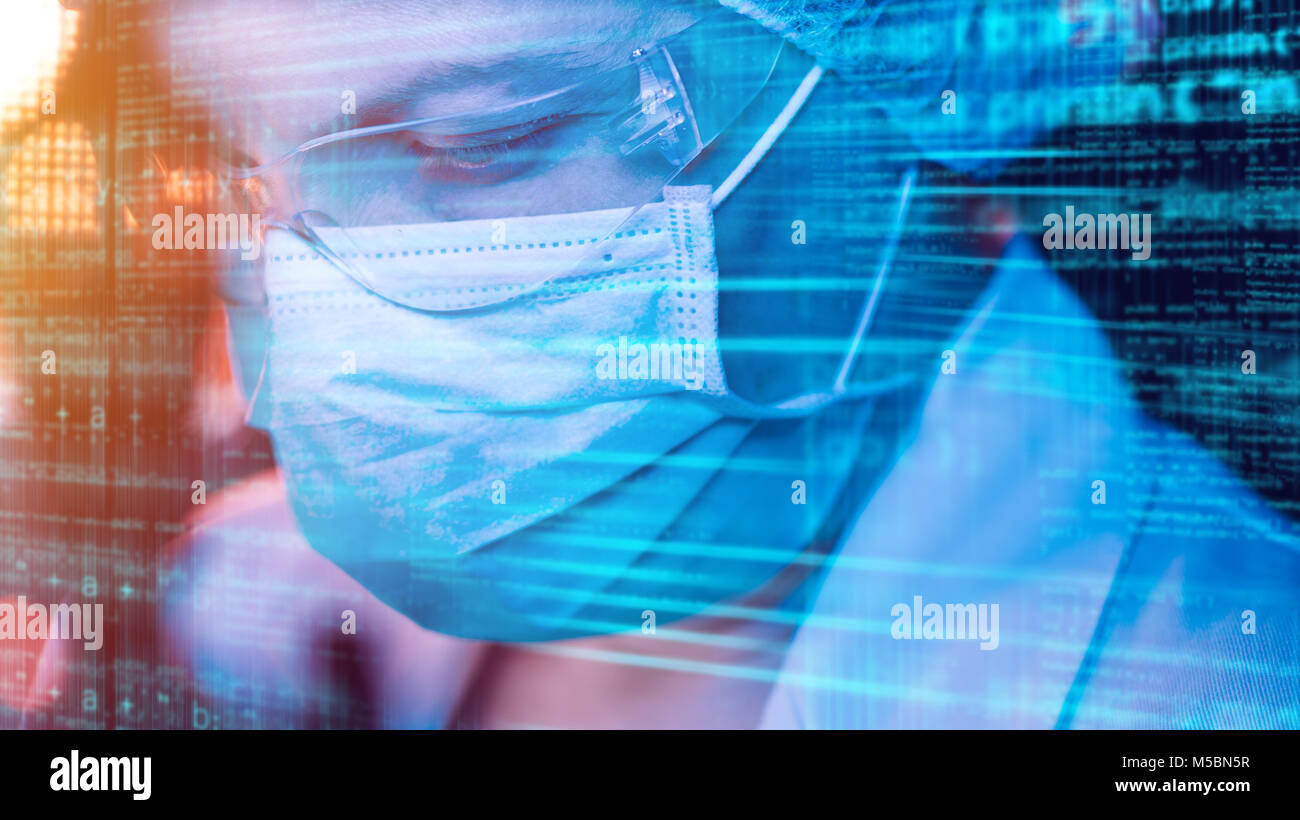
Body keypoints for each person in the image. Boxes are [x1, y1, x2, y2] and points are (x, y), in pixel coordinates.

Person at [106, 0, 1298, 728]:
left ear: (920, 95)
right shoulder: (257, 605)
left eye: (480, 143)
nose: (306, 291)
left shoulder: (1223, 688)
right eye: (252, 164)